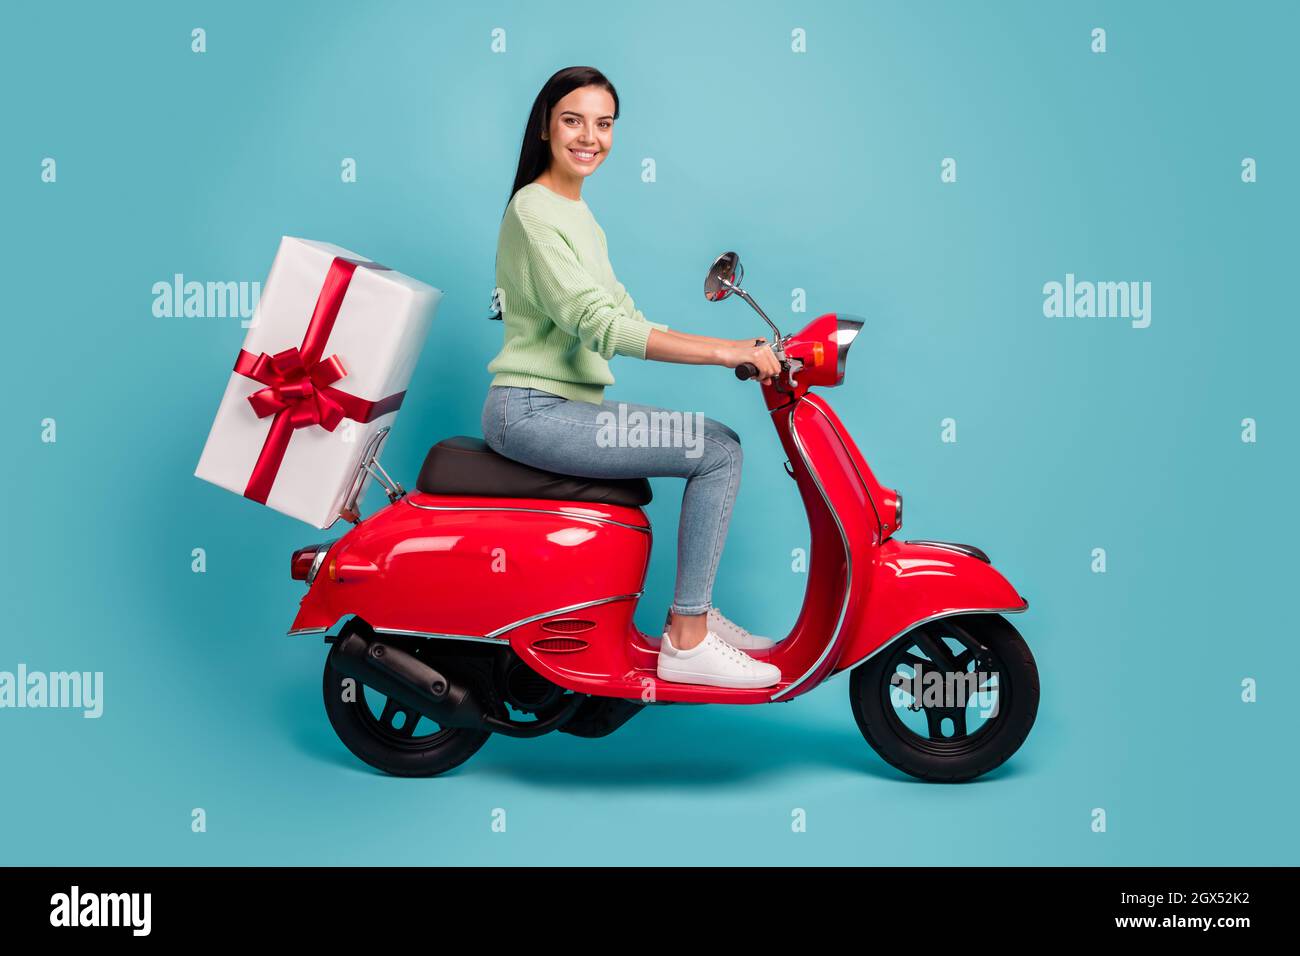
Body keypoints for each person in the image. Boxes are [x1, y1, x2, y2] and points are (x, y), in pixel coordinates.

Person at [482, 66, 783, 689]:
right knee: (717, 451)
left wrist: (741, 346)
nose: (589, 136)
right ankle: (688, 636)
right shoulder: (534, 210)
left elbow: (629, 317)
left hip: (563, 408)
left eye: (604, 123)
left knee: (718, 440)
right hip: (532, 411)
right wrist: (727, 354)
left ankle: (690, 617)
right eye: (573, 120)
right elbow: (602, 328)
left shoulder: (577, 214)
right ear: (545, 126)